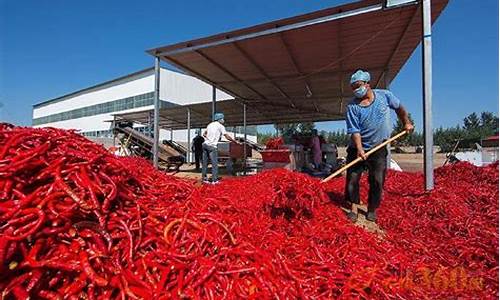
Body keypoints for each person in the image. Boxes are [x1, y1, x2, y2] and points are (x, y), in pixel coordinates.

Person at [344, 70, 413, 222]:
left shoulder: (384, 96)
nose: (356, 90)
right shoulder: (352, 106)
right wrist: (360, 149)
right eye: (353, 87)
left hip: (379, 146)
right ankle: (353, 208)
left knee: (377, 179)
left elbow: (399, 108)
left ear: (367, 84)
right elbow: (354, 130)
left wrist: (406, 122)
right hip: (357, 147)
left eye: (358, 86)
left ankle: (372, 208)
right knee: (353, 178)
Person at [202, 112, 240, 184]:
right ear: (220, 119)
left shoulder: (210, 125)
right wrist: (235, 141)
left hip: (204, 145)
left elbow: (204, 134)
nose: (223, 120)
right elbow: (226, 136)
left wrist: (209, 139)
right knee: (214, 164)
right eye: (223, 118)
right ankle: (214, 180)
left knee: (205, 163)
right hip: (212, 146)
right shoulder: (220, 126)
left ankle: (204, 179)